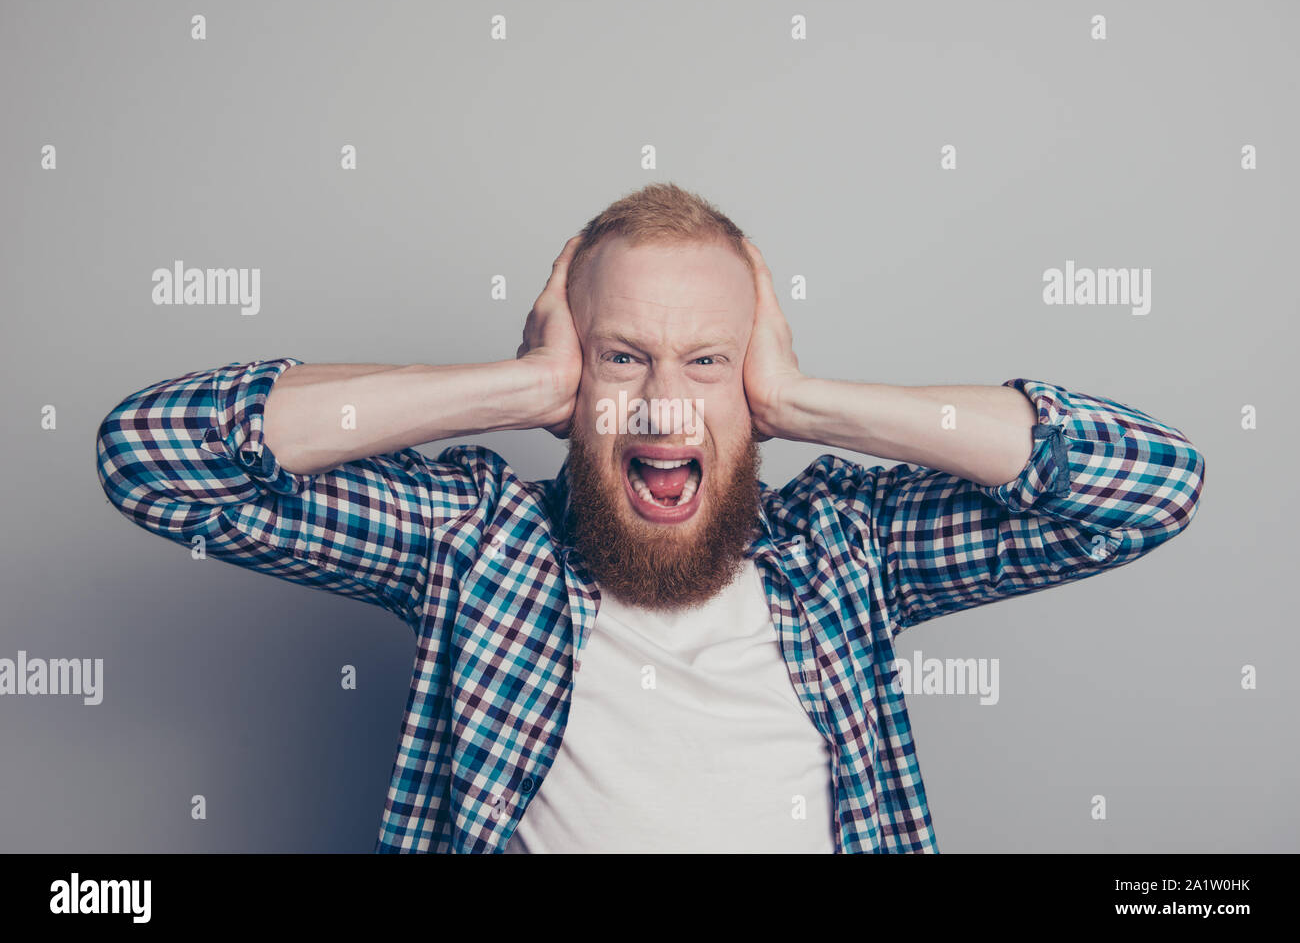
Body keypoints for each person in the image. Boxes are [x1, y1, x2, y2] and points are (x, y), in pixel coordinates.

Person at [95, 182, 1205, 853]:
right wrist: (514, 387)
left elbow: (1146, 486)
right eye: (622, 357)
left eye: (708, 362)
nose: (666, 401)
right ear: (570, 375)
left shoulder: (846, 554)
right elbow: (156, 459)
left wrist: (801, 404)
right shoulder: (473, 547)